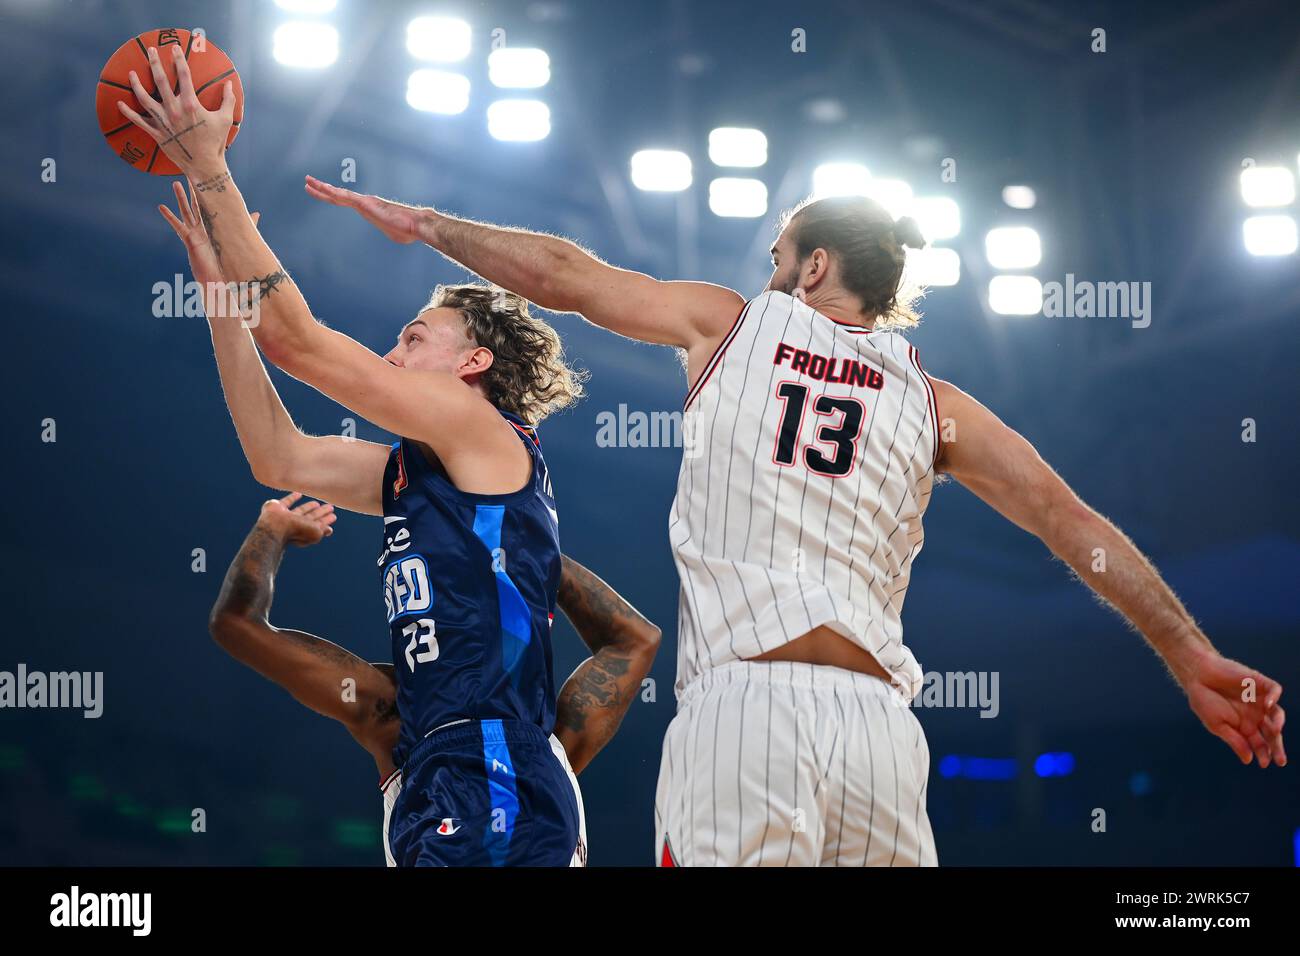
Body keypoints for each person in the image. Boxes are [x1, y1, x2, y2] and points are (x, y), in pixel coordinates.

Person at [296, 182, 1287, 867]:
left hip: (747, 709)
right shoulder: (938, 402)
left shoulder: (732, 323)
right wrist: (1190, 651)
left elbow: (560, 272)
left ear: (812, 267)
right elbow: (1074, 524)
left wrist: (426, 221)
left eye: (775, 259)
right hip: (878, 730)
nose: (767, 274)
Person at [123, 45, 589, 865]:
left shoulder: (480, 430)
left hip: (494, 764)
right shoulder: (417, 470)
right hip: (441, 760)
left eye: (415, 337)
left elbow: (297, 344)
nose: (393, 350)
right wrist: (221, 303)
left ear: (472, 365)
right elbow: (277, 454)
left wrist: (210, 168)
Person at [209, 493, 660, 866]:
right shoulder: (400, 713)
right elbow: (634, 642)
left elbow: (238, 626)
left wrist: (273, 529)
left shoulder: (392, 716)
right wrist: (530, 555)